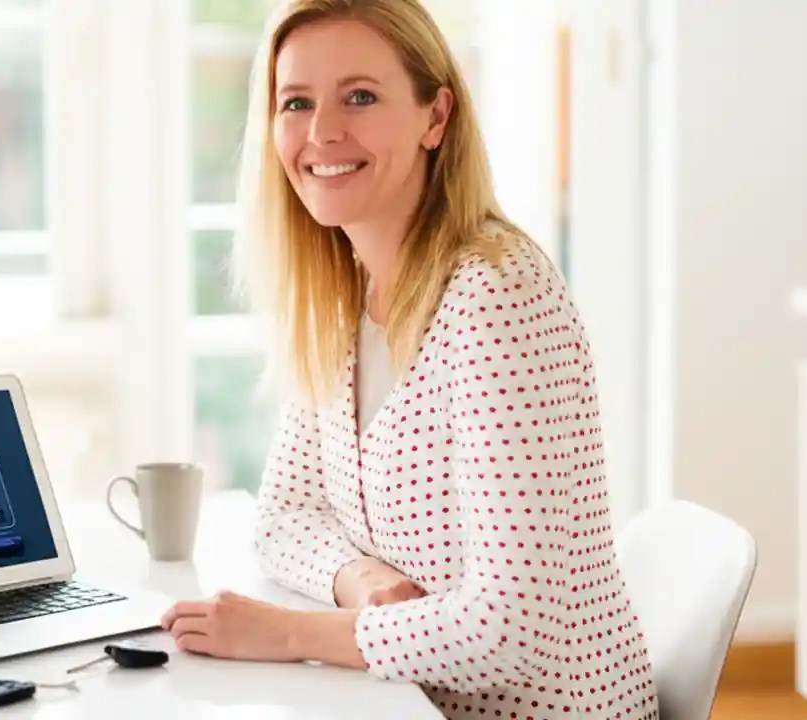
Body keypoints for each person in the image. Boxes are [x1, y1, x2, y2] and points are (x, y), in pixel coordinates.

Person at [161, 1, 659, 717]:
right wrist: (358, 580)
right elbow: (283, 518)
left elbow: (504, 629)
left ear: (436, 117)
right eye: (295, 102)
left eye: (359, 97)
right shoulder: (344, 293)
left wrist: (290, 632)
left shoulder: (496, 295)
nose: (322, 131)